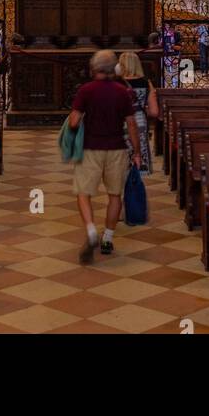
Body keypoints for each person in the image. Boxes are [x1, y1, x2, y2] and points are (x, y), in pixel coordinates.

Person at [68, 49, 141, 264]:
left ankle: (91, 230)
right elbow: (131, 123)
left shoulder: (86, 90)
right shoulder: (121, 92)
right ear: (114, 69)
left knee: (83, 192)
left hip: (91, 147)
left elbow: (73, 122)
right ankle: (108, 237)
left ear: (94, 68)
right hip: (117, 148)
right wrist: (136, 152)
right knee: (114, 195)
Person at [116, 51, 158, 174]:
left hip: (120, 121)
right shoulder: (146, 83)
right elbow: (154, 112)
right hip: (140, 120)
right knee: (139, 152)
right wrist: (143, 109)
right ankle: (140, 172)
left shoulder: (116, 84)